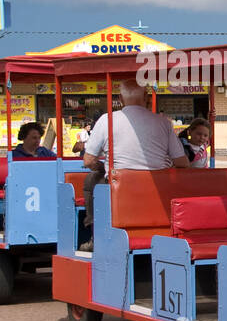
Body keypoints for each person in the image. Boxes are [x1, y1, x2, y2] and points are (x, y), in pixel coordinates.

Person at [80, 82, 190, 250]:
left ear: (120, 99)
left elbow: (88, 161)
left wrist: (103, 167)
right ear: (145, 97)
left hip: (120, 188)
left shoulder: (106, 120)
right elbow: (182, 162)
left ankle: (95, 234)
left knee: (91, 179)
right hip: (158, 190)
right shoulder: (163, 123)